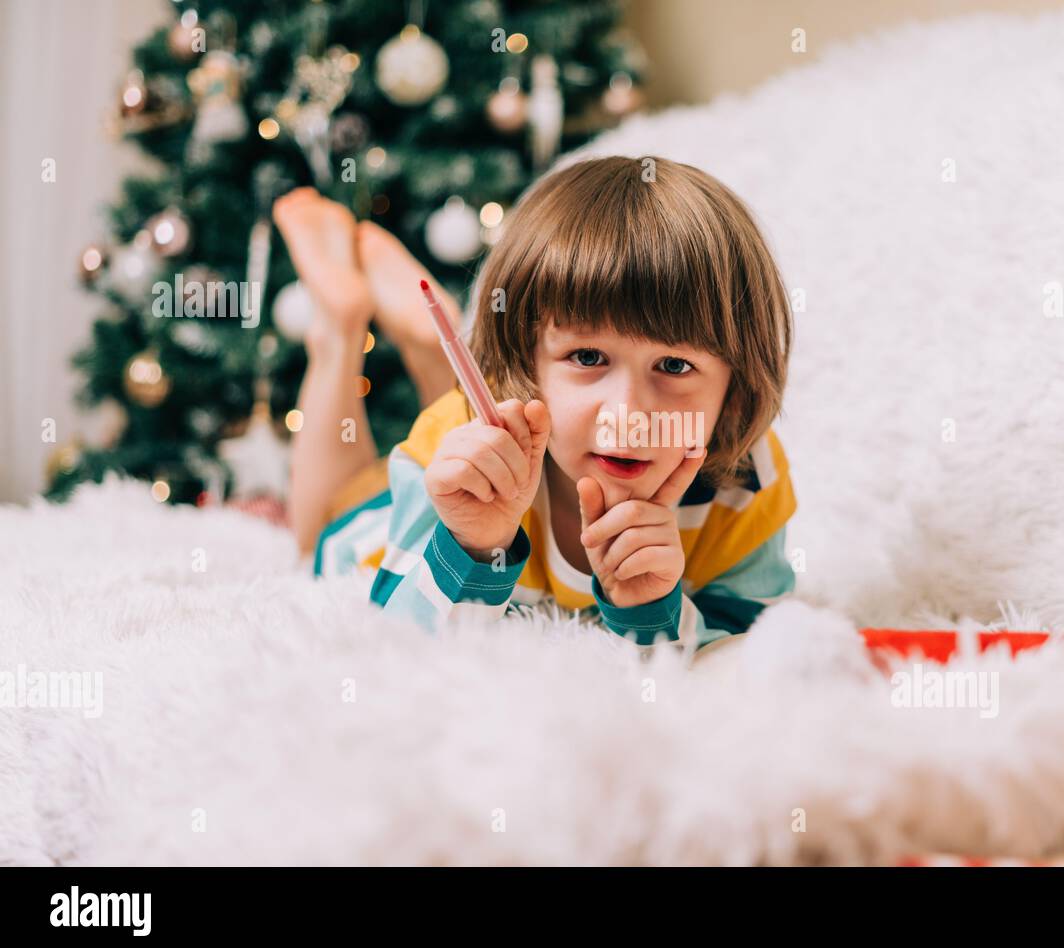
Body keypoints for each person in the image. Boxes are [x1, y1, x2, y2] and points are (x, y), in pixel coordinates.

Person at [276, 156, 798, 651]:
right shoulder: (446, 449)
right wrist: (472, 549)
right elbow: (400, 647)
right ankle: (341, 330)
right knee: (326, 518)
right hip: (392, 516)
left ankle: (429, 342)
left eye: (676, 366)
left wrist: (653, 611)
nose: (628, 415)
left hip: (516, 424)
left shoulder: (748, 477)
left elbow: (744, 656)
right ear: (523, 364)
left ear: (736, 389)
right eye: (589, 356)